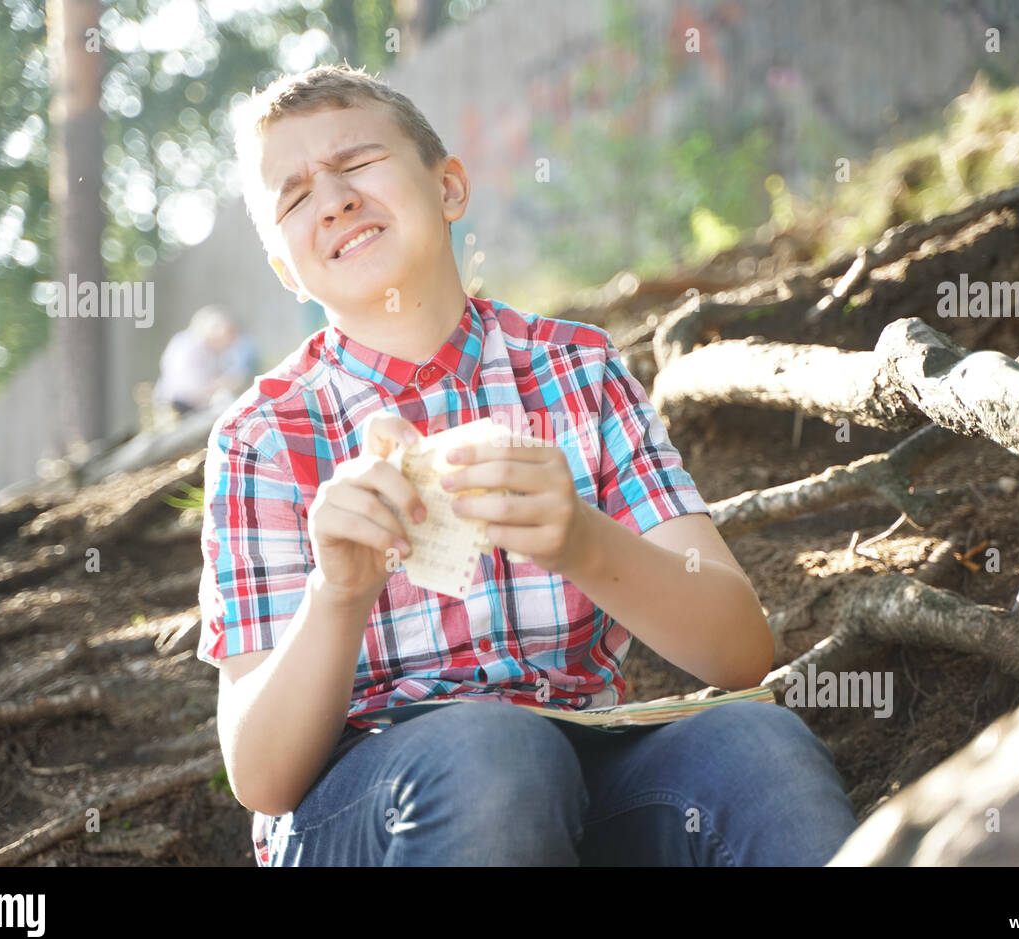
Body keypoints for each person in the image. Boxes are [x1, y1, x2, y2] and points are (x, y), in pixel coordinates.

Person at [197, 62, 859, 866]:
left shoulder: (578, 370)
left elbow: (739, 650)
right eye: (295, 194)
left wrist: (583, 542)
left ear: (448, 188)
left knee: (759, 743)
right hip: (367, 805)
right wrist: (338, 595)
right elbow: (263, 777)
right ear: (285, 269)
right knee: (494, 753)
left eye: (358, 161)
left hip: (583, 769)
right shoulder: (260, 437)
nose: (332, 197)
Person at [154, 305, 239, 417]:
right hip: (176, 405)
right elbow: (185, 387)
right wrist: (217, 386)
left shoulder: (214, 351)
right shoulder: (188, 345)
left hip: (197, 406)